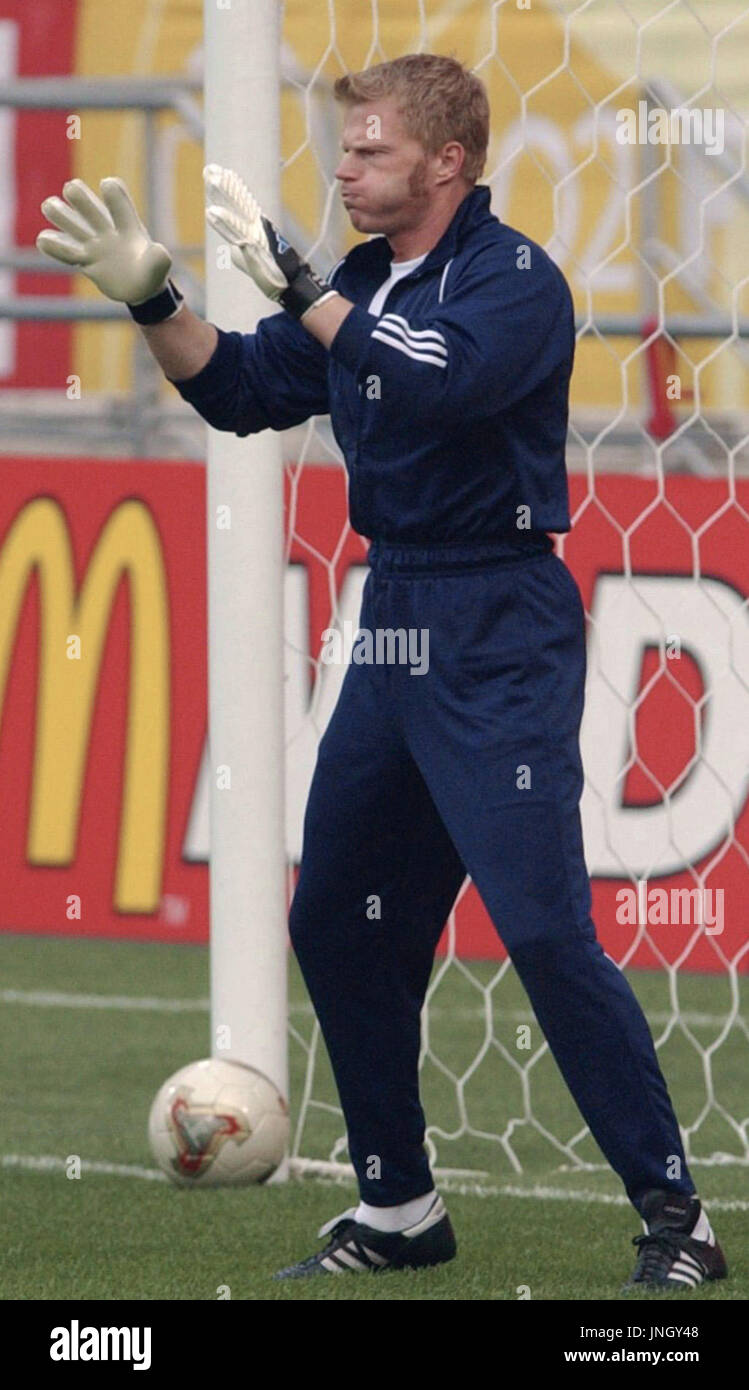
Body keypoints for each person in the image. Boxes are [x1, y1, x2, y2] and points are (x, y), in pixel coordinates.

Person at [38, 53, 726, 1290]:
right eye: (344, 149)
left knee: (541, 932)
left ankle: (677, 1216)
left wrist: (302, 285)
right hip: (393, 613)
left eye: (369, 149)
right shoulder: (361, 280)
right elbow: (241, 392)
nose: (343, 167)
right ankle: (398, 1205)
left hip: (496, 622)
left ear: (446, 162)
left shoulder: (514, 280)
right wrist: (149, 293)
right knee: (339, 921)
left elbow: (436, 376)